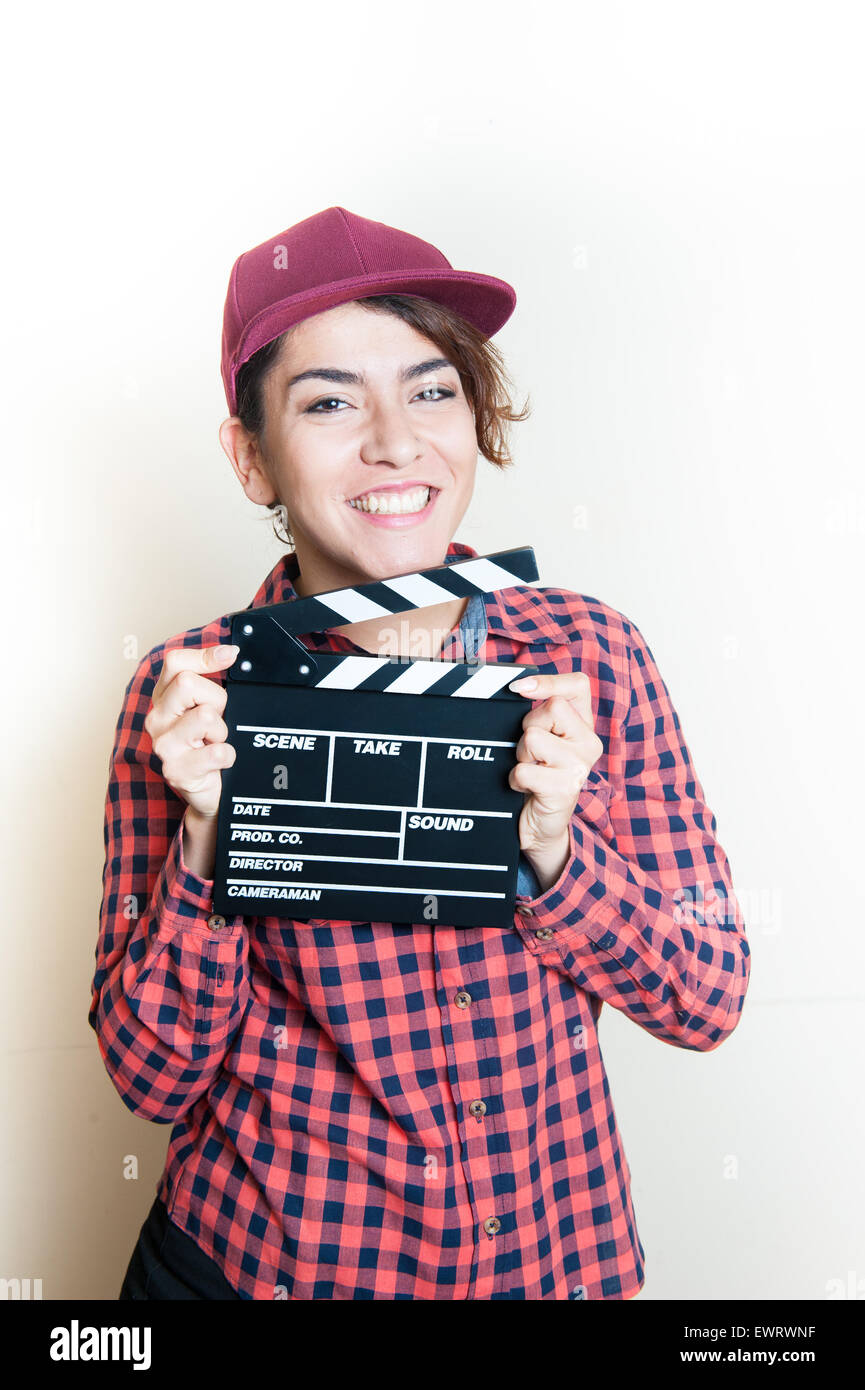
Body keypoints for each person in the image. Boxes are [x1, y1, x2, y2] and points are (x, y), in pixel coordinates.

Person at [91, 206, 751, 1301]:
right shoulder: (190, 692)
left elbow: (706, 995)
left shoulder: (590, 654)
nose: (395, 440)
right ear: (251, 457)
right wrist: (207, 842)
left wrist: (550, 851)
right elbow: (149, 1078)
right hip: (267, 1274)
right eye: (329, 401)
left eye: (431, 387)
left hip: (547, 1265)